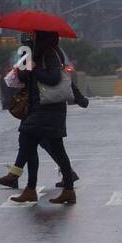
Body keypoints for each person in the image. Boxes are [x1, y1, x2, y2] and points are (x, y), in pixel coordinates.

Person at [8, 30, 77, 205]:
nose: (32, 39)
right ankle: (37, 189)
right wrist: (25, 60)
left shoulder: (50, 53)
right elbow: (25, 77)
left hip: (49, 108)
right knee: (36, 145)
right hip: (38, 107)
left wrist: (35, 68)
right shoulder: (34, 53)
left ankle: (41, 189)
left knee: (35, 142)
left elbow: (53, 78)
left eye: (35, 36)